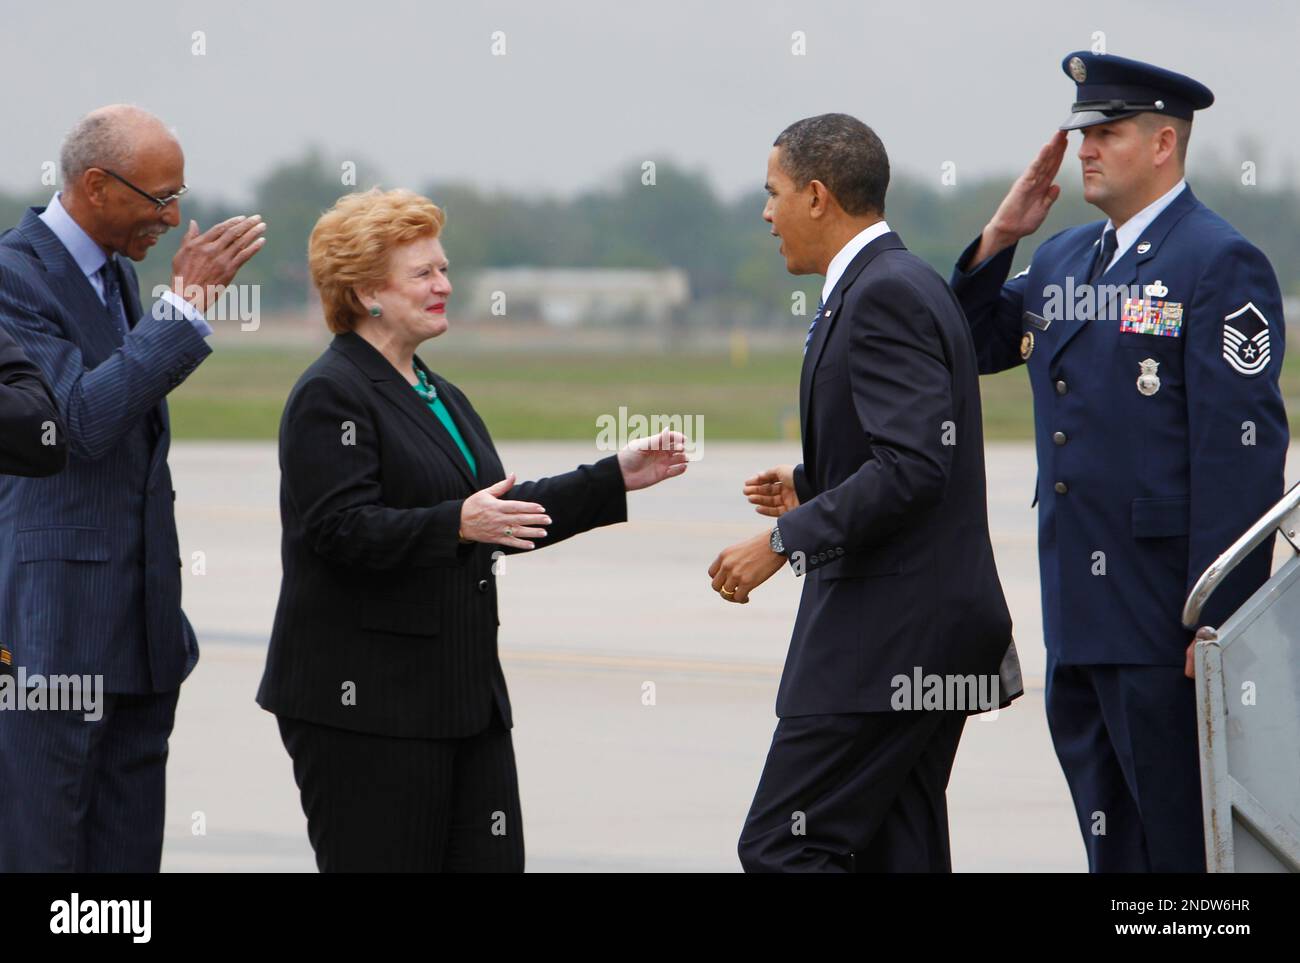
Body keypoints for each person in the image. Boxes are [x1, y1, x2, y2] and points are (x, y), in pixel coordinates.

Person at [256, 188, 688, 872]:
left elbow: (495, 511)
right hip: (367, 707)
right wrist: (454, 523)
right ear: (367, 290)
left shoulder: (436, 391)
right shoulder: (331, 392)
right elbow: (340, 531)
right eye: (424, 273)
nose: (445, 286)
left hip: (462, 702)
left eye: (444, 269)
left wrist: (612, 477)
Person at [950, 52, 1289, 872]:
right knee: (1113, 852)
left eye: (1106, 133)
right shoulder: (1065, 259)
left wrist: (1220, 622)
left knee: (1180, 854)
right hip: (1078, 615)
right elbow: (964, 341)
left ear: (1164, 143)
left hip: (1161, 620)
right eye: (1081, 133)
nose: (1085, 149)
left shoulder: (1217, 262)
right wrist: (1001, 236)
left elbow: (1239, 455)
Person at [710, 114, 1018, 872]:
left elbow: (913, 467)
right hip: (923, 641)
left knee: (786, 845)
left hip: (889, 643)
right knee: (895, 850)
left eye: (772, 192)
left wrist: (783, 539)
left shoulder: (884, 292)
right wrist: (811, 480)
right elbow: (908, 446)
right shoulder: (895, 280)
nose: (765, 212)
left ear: (817, 196)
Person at [0, 104, 266, 872]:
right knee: (44, 856)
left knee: (123, 875)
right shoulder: (14, 275)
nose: (174, 216)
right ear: (95, 185)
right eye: (159, 198)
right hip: (55, 642)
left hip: (139, 642)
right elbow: (73, 424)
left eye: (178, 195)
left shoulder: (114, 275)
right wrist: (181, 310)